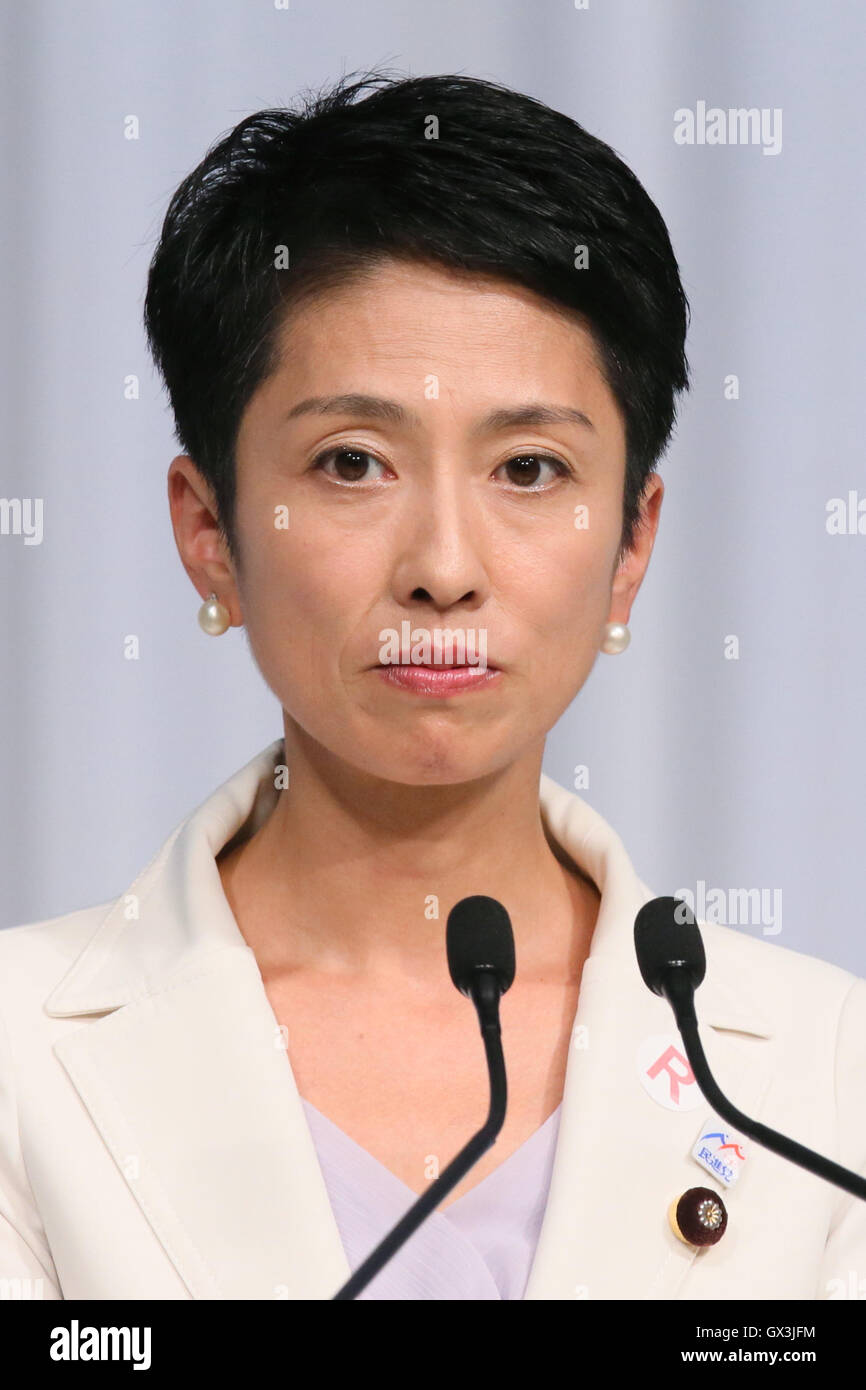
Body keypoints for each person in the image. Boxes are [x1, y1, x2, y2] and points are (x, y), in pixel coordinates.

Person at [1, 71, 863, 1302]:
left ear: (630, 544)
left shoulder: (823, 1073)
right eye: (351, 462)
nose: (444, 570)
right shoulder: (19, 1058)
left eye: (528, 467)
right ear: (209, 530)